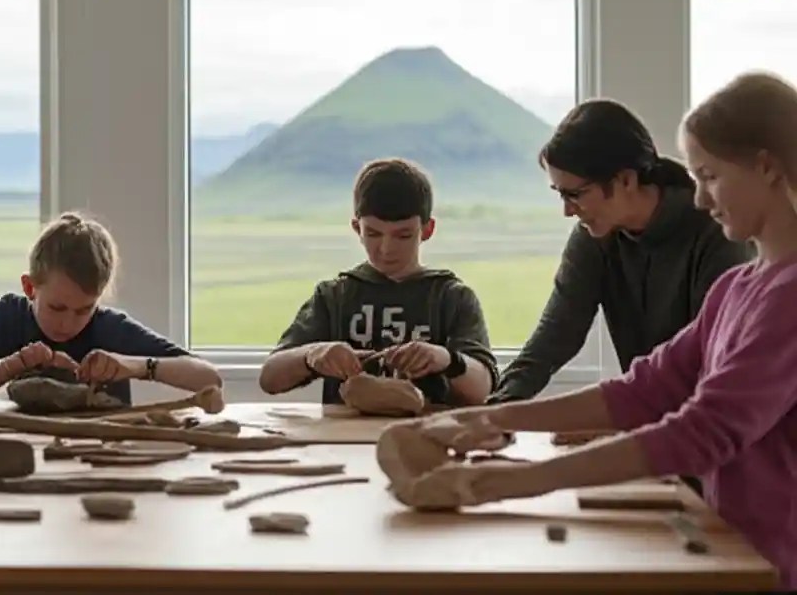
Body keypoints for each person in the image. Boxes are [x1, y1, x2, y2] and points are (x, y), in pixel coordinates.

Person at [388, 72, 797, 590]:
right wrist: (488, 418)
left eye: (711, 176)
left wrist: (509, 481)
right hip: (727, 542)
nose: (699, 198)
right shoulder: (738, 288)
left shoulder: (787, 297)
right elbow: (645, 388)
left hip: (774, 561)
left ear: (766, 167)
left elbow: (705, 428)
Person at [490, 99, 751, 402]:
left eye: (575, 194)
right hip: (653, 420)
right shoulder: (593, 237)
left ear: (626, 180)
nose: (567, 211)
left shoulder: (716, 232)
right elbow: (557, 334)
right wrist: (498, 406)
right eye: (560, 195)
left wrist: (611, 423)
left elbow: (707, 360)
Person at [259, 158, 497, 407]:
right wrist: (312, 355)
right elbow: (270, 378)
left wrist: (447, 360)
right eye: (373, 233)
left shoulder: (451, 297)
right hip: (344, 440)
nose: (386, 248)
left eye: (403, 235)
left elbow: (483, 389)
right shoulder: (335, 296)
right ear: (356, 228)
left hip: (424, 438)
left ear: (427, 230)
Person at [0, 212, 222, 405]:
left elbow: (209, 377)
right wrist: (13, 366)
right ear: (29, 288)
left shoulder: (109, 328)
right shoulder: (9, 316)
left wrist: (135, 366)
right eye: (57, 307)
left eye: (83, 310)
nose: (67, 323)